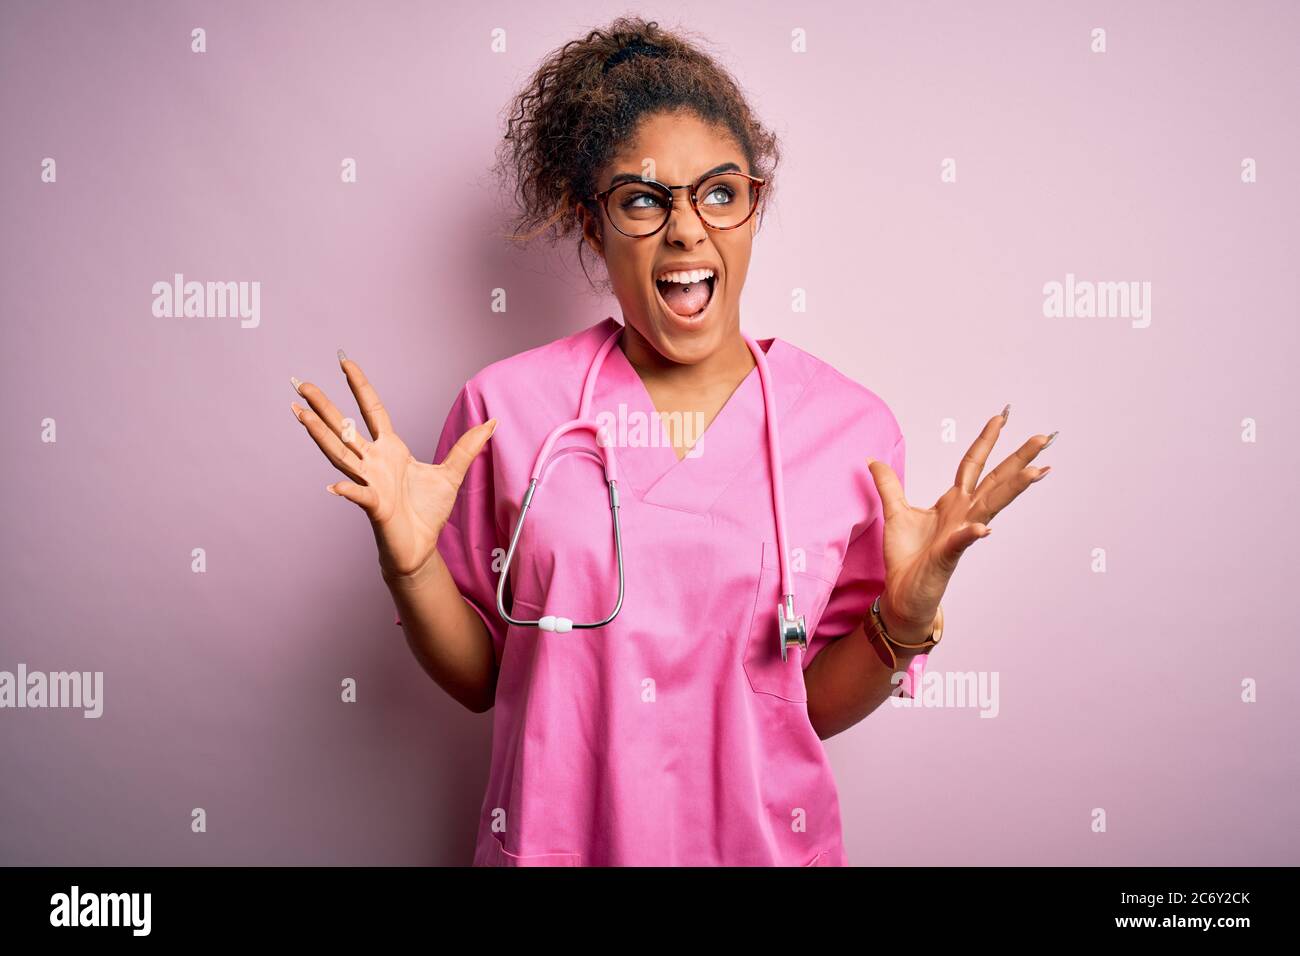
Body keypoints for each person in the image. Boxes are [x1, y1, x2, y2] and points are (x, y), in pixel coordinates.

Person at [289, 16, 1055, 866]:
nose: (687, 229)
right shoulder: (506, 411)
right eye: (644, 200)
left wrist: (901, 623)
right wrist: (412, 563)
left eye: (720, 193)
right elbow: (482, 682)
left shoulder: (849, 432)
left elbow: (809, 706)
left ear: (754, 209)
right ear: (593, 225)